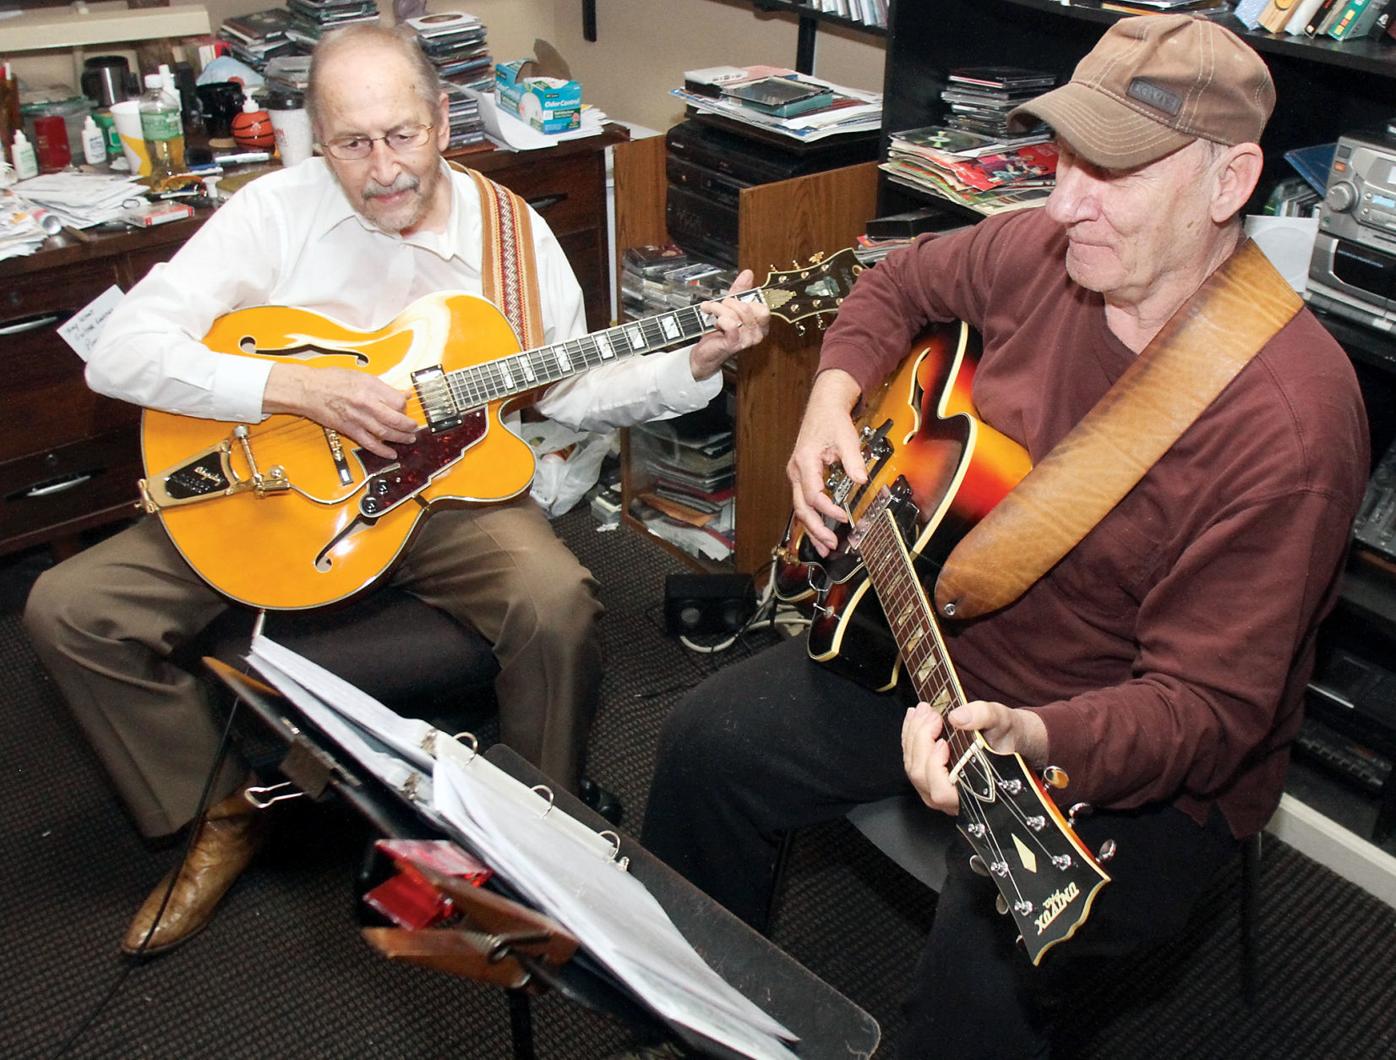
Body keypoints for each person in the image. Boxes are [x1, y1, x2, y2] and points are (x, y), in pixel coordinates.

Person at [641, 15, 1367, 1057]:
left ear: (1227, 182)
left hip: (1118, 751)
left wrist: (1035, 737)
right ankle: (690, 1018)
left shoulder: (1288, 424)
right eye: (1065, 155)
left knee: (976, 999)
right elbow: (895, 281)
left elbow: (1205, 711)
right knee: (704, 748)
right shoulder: (1045, 247)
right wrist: (830, 396)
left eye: (1112, 172)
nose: (1064, 202)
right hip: (931, 636)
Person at [23, 24, 769, 958]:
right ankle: (218, 816)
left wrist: (692, 362)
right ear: (317, 139)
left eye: (403, 136)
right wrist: (293, 387)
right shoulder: (272, 214)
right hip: (273, 485)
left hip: (443, 492)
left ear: (443, 117)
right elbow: (123, 353)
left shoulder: (510, 235)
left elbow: (566, 392)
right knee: (70, 608)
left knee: (557, 602)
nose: (383, 169)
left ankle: (536, 832)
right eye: (353, 143)